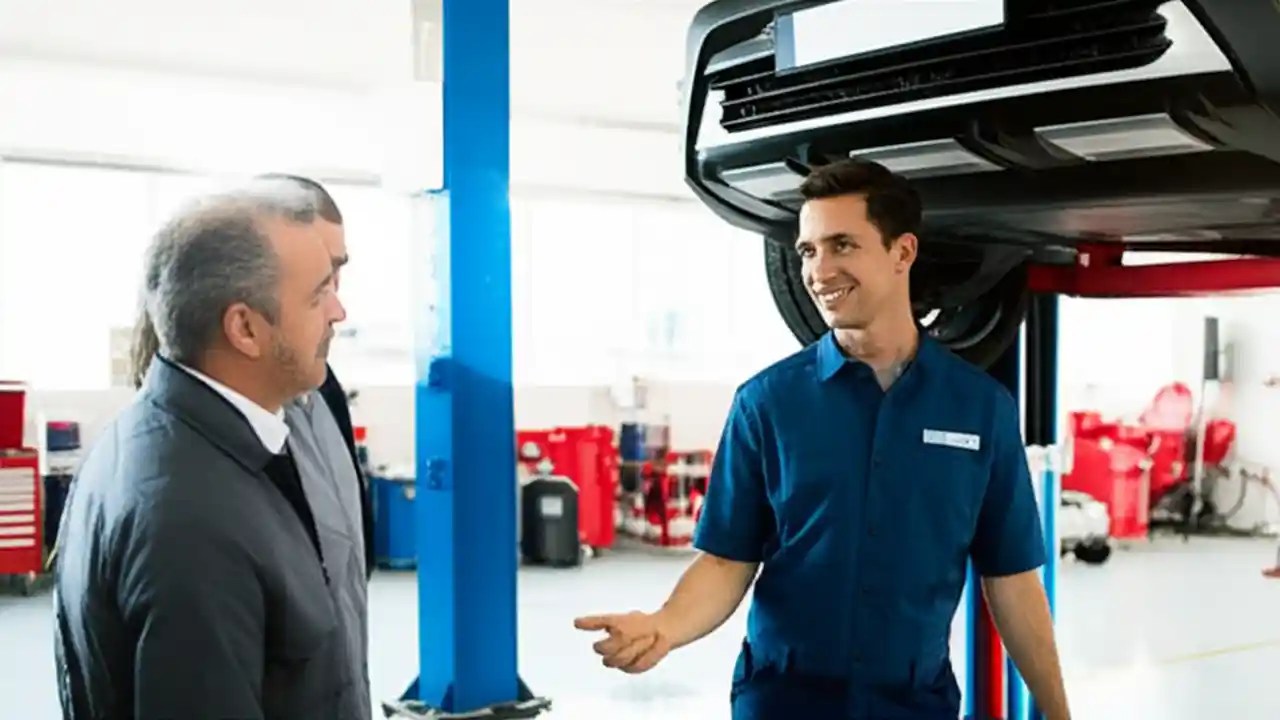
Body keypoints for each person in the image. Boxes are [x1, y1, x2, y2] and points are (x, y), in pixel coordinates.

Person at [575, 159, 1072, 719]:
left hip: (913, 706)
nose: (819, 270)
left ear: (902, 252)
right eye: (809, 250)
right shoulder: (767, 403)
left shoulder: (981, 410)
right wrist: (665, 625)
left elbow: (1012, 580)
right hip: (784, 702)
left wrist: (1057, 713)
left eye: (842, 245)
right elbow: (725, 563)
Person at [53, 180, 363, 719]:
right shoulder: (195, 521)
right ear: (245, 328)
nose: (338, 311)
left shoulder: (184, 442)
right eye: (318, 294)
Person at [131, 173, 375, 579]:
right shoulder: (190, 496)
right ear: (244, 325)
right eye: (317, 285)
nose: (336, 305)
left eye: (335, 270)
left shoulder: (319, 386)